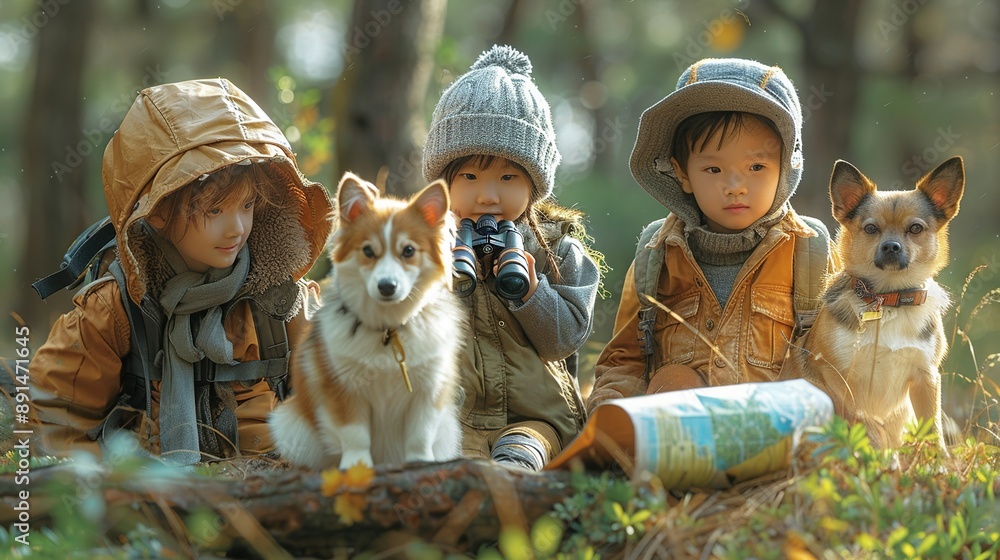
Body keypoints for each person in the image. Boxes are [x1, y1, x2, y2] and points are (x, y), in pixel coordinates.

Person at [29, 78, 334, 465]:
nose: (237, 228)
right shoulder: (116, 309)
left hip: (271, 490)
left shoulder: (283, 302)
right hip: (149, 492)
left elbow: (344, 404)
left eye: (247, 206)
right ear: (158, 212)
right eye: (214, 210)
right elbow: (53, 423)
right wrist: (113, 488)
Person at [589, 58, 838, 414]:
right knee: (675, 379)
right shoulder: (657, 257)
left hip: (780, 434)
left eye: (756, 167)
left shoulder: (810, 254)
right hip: (682, 439)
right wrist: (610, 421)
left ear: (785, 167)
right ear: (682, 174)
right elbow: (624, 363)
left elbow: (845, 366)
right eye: (713, 168)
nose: (735, 186)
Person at [422, 45, 602, 471]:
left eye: (507, 177)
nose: (488, 195)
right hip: (451, 414)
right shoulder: (425, 245)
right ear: (444, 182)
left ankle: (515, 472)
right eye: (469, 176)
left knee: (523, 450)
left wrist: (531, 292)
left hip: (538, 417)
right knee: (450, 464)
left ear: (534, 185)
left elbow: (564, 340)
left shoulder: (557, 250)